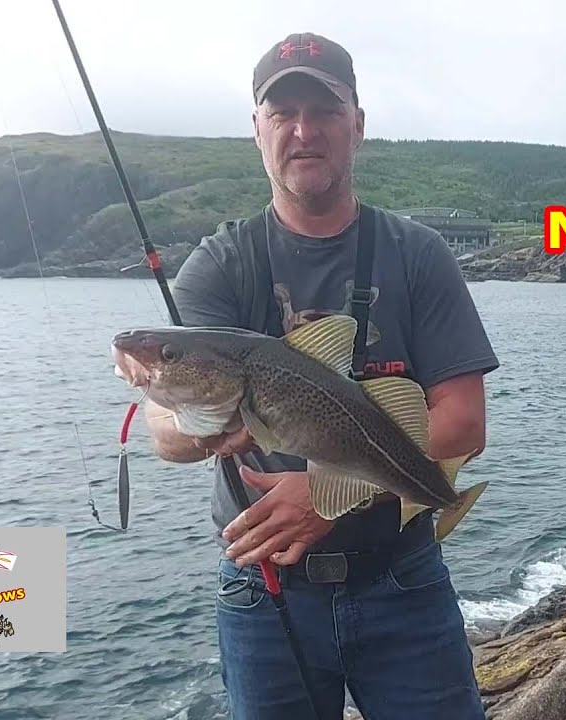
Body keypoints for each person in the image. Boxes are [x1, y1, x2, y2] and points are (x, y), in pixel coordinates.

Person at [142, 32, 500, 720]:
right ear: (257, 130)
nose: (303, 131)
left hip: (400, 576)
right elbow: (164, 428)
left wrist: (328, 494)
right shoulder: (220, 264)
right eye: (282, 113)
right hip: (264, 587)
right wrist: (195, 426)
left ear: (357, 125)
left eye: (325, 110)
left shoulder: (418, 255)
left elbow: (465, 422)